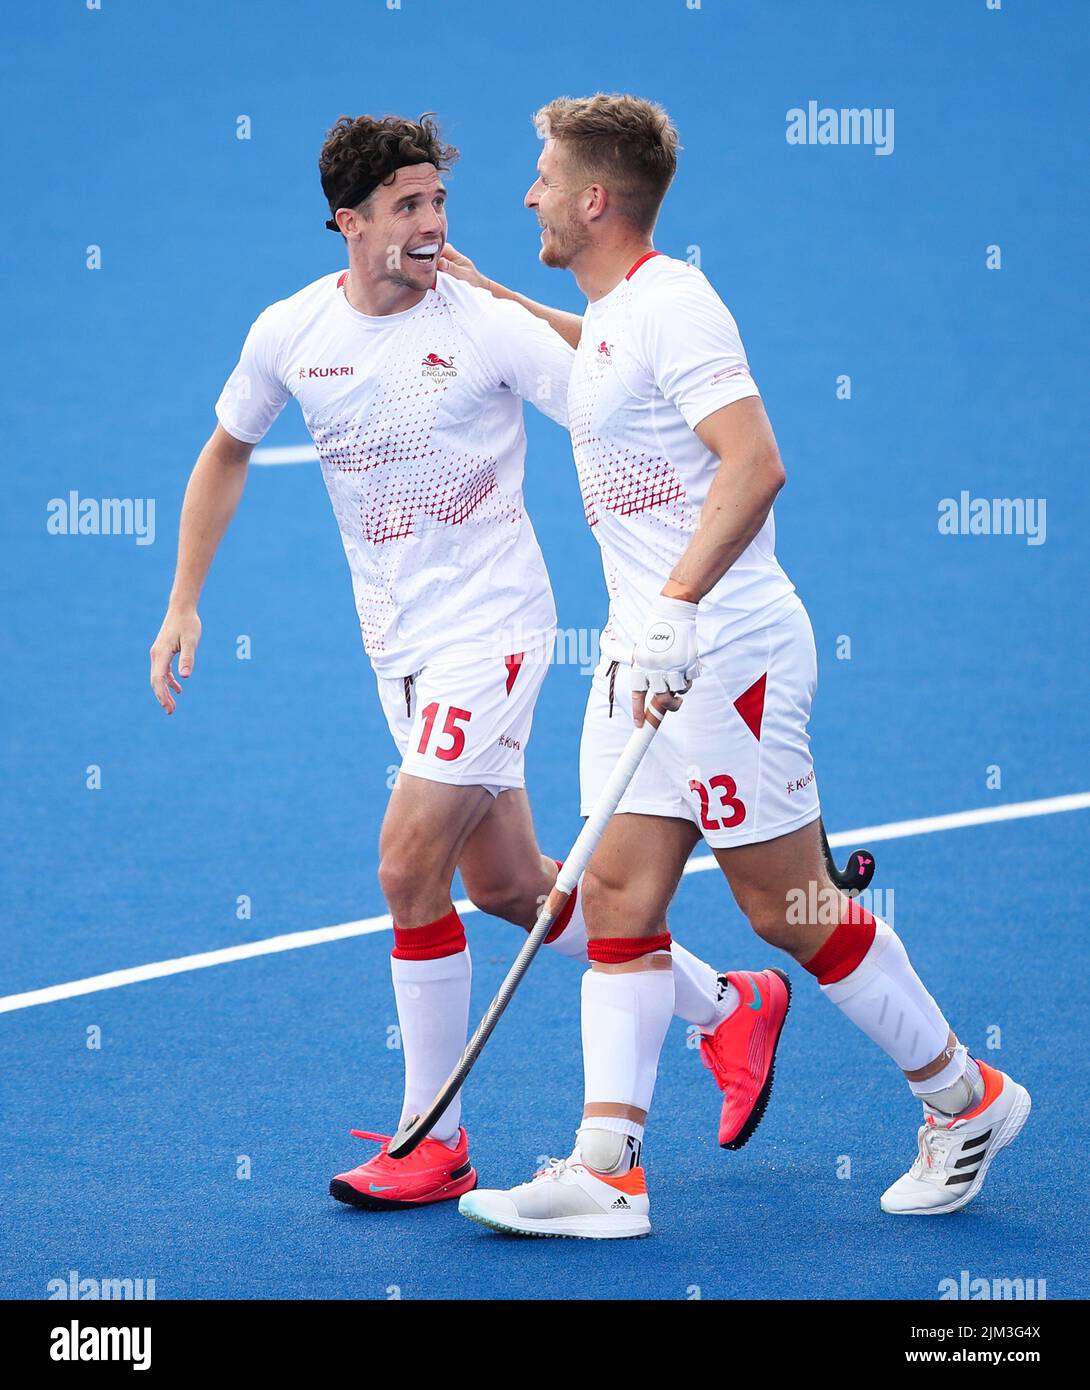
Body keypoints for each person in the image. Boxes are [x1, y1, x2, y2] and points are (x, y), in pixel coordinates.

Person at [149, 112, 785, 1216]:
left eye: (439, 200)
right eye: (407, 207)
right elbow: (225, 450)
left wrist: (690, 558)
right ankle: (727, 1003)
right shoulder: (291, 332)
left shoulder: (482, 324)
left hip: (493, 633)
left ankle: (430, 1135)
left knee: (406, 866)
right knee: (504, 885)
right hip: (397, 647)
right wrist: (184, 603)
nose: (434, 224)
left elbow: (618, 374)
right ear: (347, 223)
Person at [439, 94, 1030, 1238]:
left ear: (595, 199)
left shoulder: (678, 305)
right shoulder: (614, 312)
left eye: (544, 179)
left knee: (787, 908)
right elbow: (598, 365)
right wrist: (492, 296)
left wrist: (672, 609)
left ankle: (966, 1097)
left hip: (724, 651)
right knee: (612, 894)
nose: (528, 196)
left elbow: (755, 465)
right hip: (642, 654)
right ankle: (607, 1168)